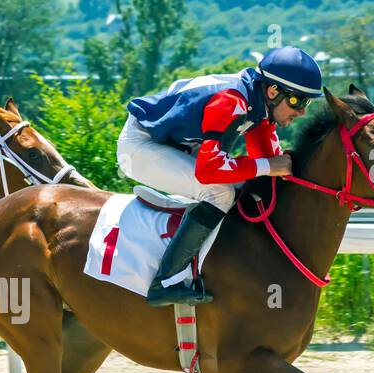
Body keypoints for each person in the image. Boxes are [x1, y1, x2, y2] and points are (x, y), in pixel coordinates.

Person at [117, 46, 322, 306]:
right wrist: (268, 167)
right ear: (273, 91)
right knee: (219, 192)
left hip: (174, 146)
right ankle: (165, 282)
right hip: (140, 146)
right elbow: (209, 170)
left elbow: (269, 167)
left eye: (307, 102)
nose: (302, 111)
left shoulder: (260, 106)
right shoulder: (232, 101)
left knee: (249, 186)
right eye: (298, 101)